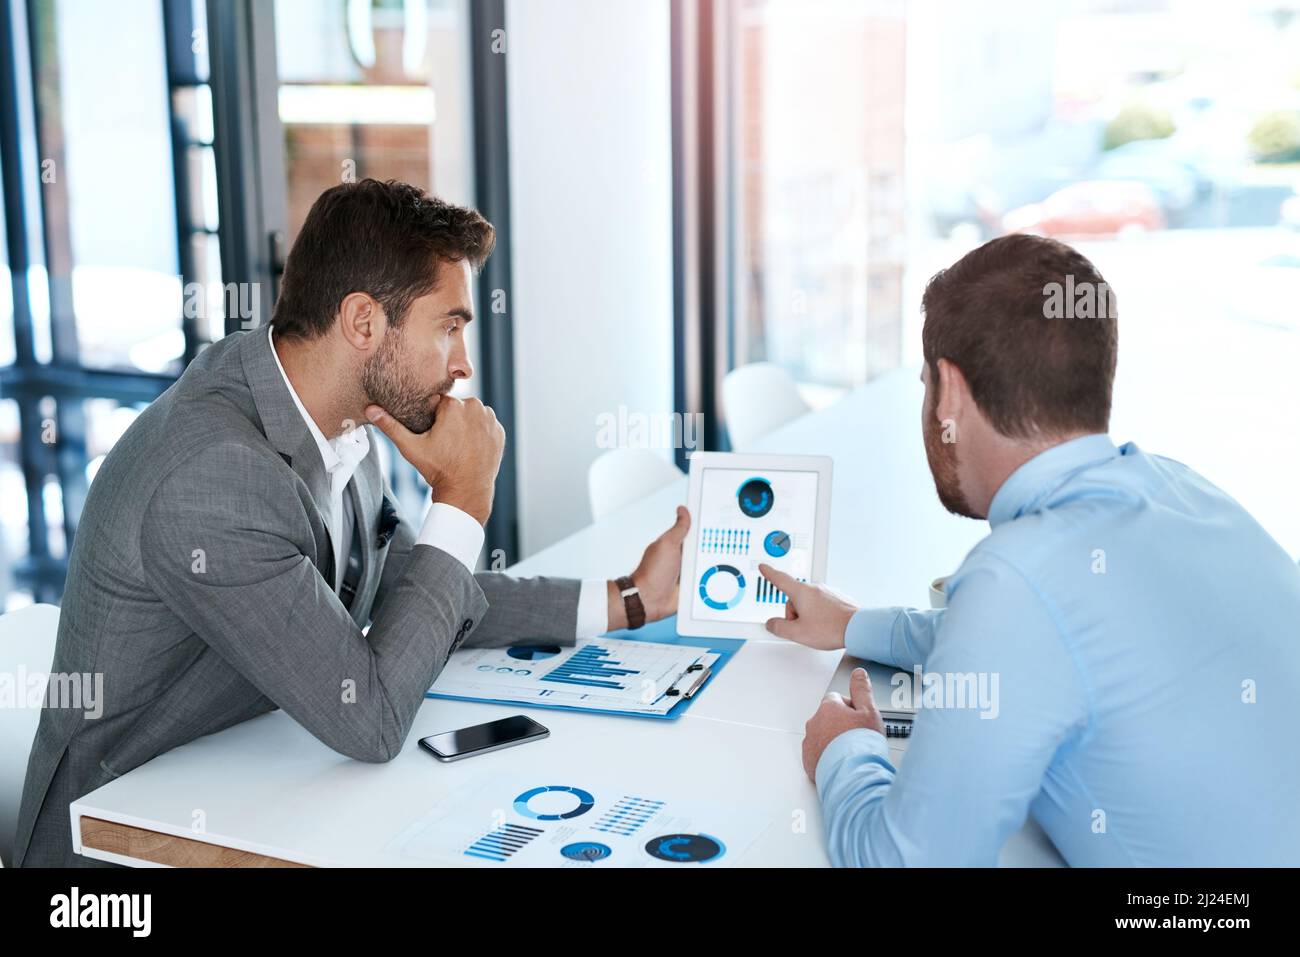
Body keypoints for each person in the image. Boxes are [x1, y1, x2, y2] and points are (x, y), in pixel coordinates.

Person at [15, 179, 688, 867]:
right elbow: (369, 719)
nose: (463, 365)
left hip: (255, 791)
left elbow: (408, 584)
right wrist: (462, 498)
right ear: (363, 323)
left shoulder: (329, 410)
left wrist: (631, 597)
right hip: (121, 854)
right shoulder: (213, 476)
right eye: (449, 326)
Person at [760, 233, 1300, 866]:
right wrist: (854, 624)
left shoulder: (1017, 579)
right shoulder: (1184, 490)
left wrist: (843, 752)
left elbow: (906, 861)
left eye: (924, 386)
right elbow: (1048, 645)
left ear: (951, 394)